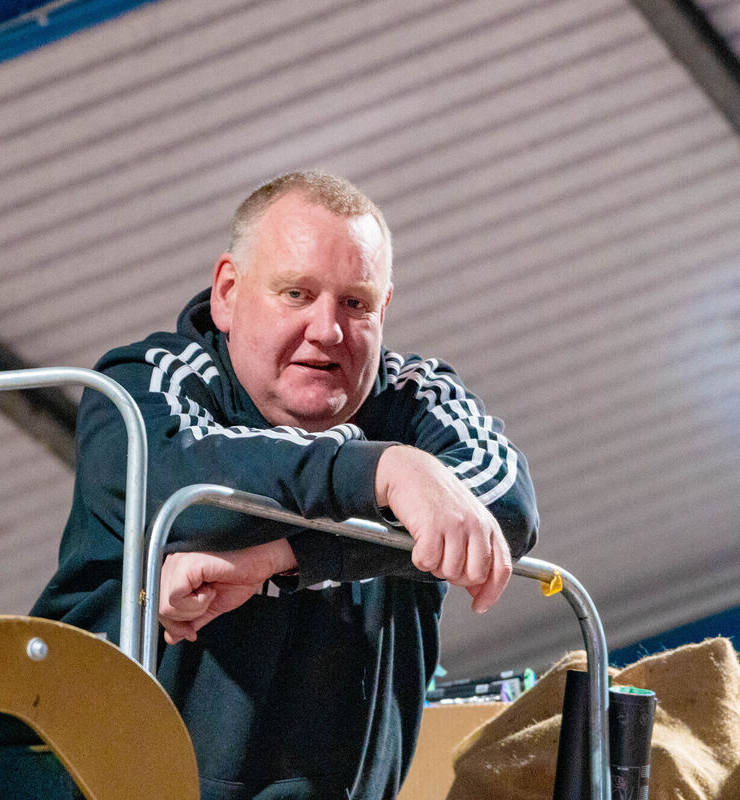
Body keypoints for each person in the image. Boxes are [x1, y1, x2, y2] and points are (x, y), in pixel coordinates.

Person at [31, 170, 538, 800]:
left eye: (356, 303)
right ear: (226, 292)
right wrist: (383, 473)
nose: (328, 330)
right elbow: (181, 485)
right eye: (297, 293)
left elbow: (504, 509)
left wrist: (284, 559)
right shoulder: (143, 385)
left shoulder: (416, 401)